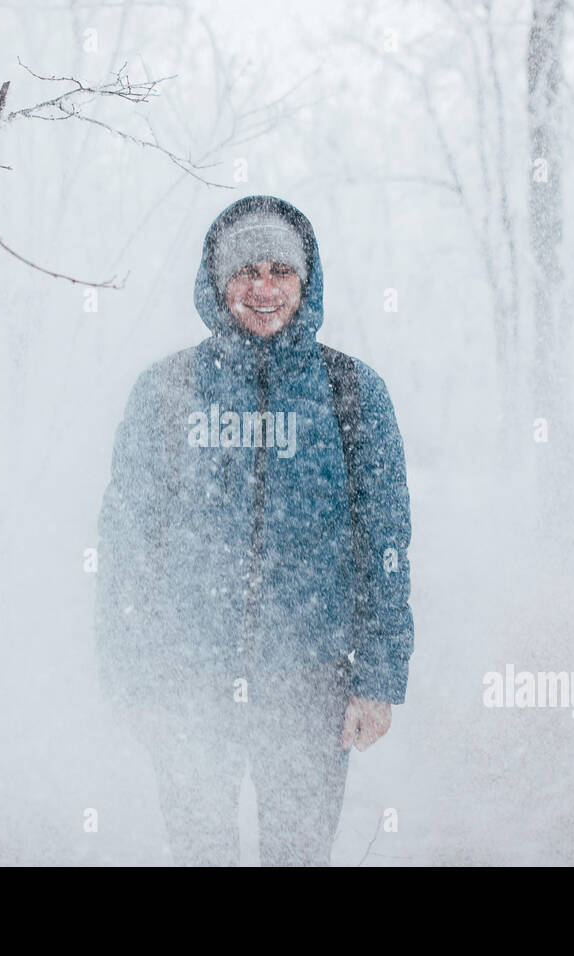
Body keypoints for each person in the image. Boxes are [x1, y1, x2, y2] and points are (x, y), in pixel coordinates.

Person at [95, 194, 414, 866]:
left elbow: (383, 544)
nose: (263, 288)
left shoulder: (350, 391)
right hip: (189, 684)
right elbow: (127, 544)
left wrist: (378, 681)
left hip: (309, 686)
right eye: (245, 271)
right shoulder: (168, 391)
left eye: (280, 271)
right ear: (217, 283)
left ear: (305, 282)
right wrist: (130, 679)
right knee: (202, 853)